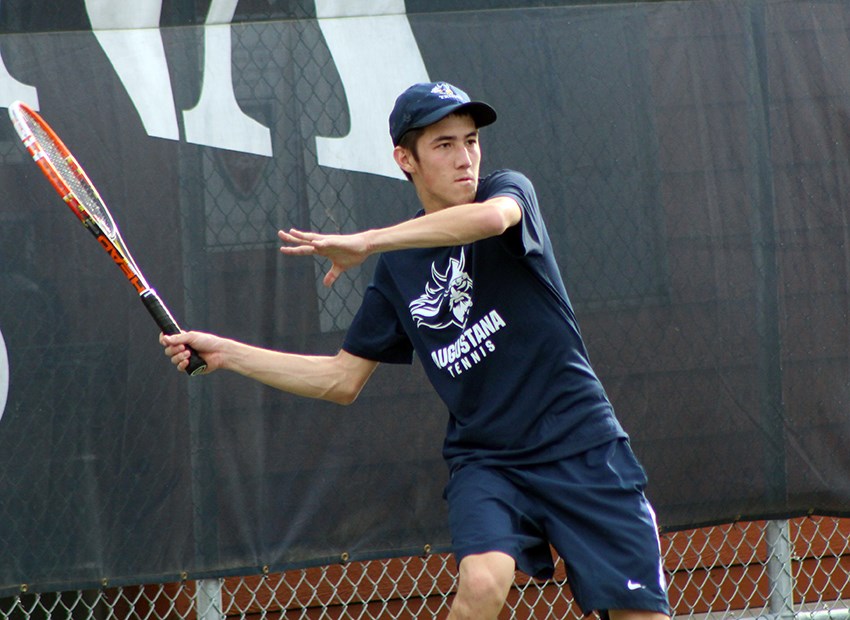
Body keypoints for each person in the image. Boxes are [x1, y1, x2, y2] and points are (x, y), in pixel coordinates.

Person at [161, 81, 671, 620]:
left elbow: (491, 221)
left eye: (471, 140)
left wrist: (370, 240)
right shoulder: (399, 274)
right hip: (490, 460)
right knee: (482, 580)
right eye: (444, 145)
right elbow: (340, 380)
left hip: (583, 444)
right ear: (405, 159)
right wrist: (226, 353)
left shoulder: (507, 191)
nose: (465, 158)